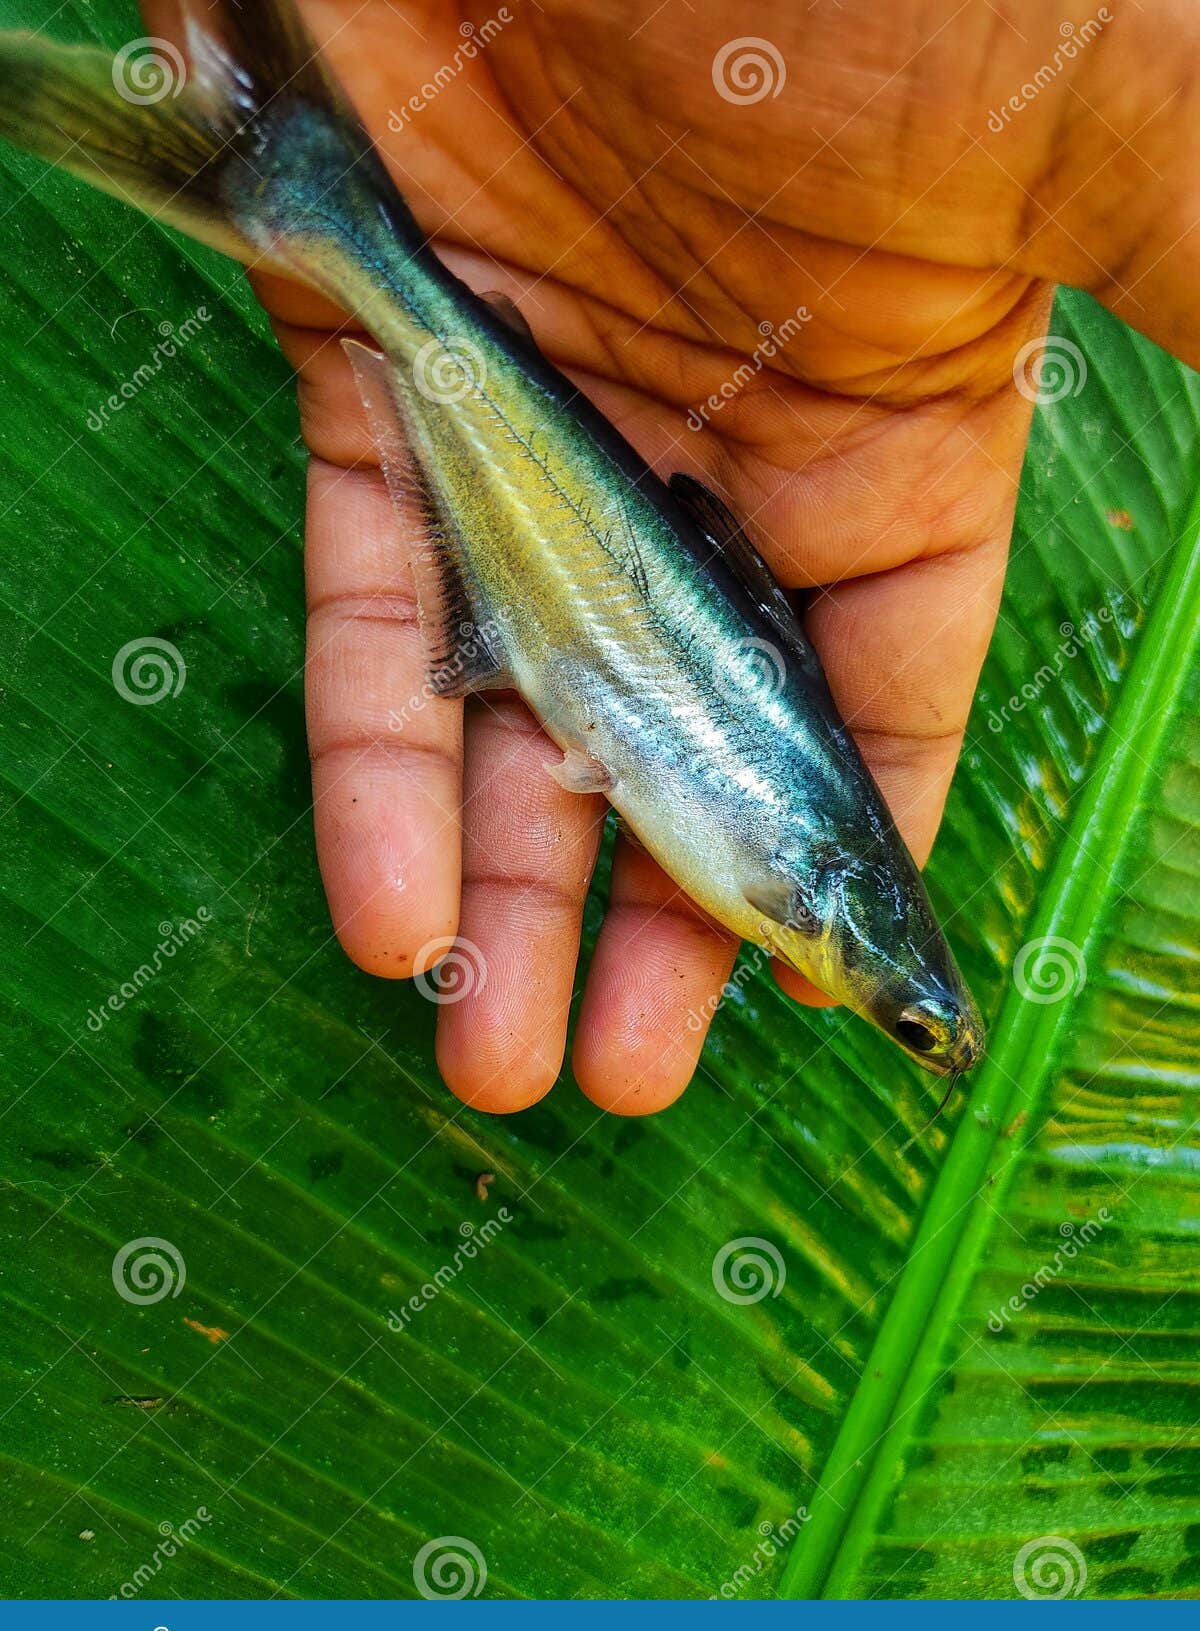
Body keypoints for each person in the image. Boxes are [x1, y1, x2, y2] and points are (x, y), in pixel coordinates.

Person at [145, 0, 1196, 1115]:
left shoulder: (818, 887)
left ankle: (297, 185)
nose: (905, 1025)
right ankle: (308, 189)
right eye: (914, 1021)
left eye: (917, 1028)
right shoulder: (811, 890)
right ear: (855, 926)